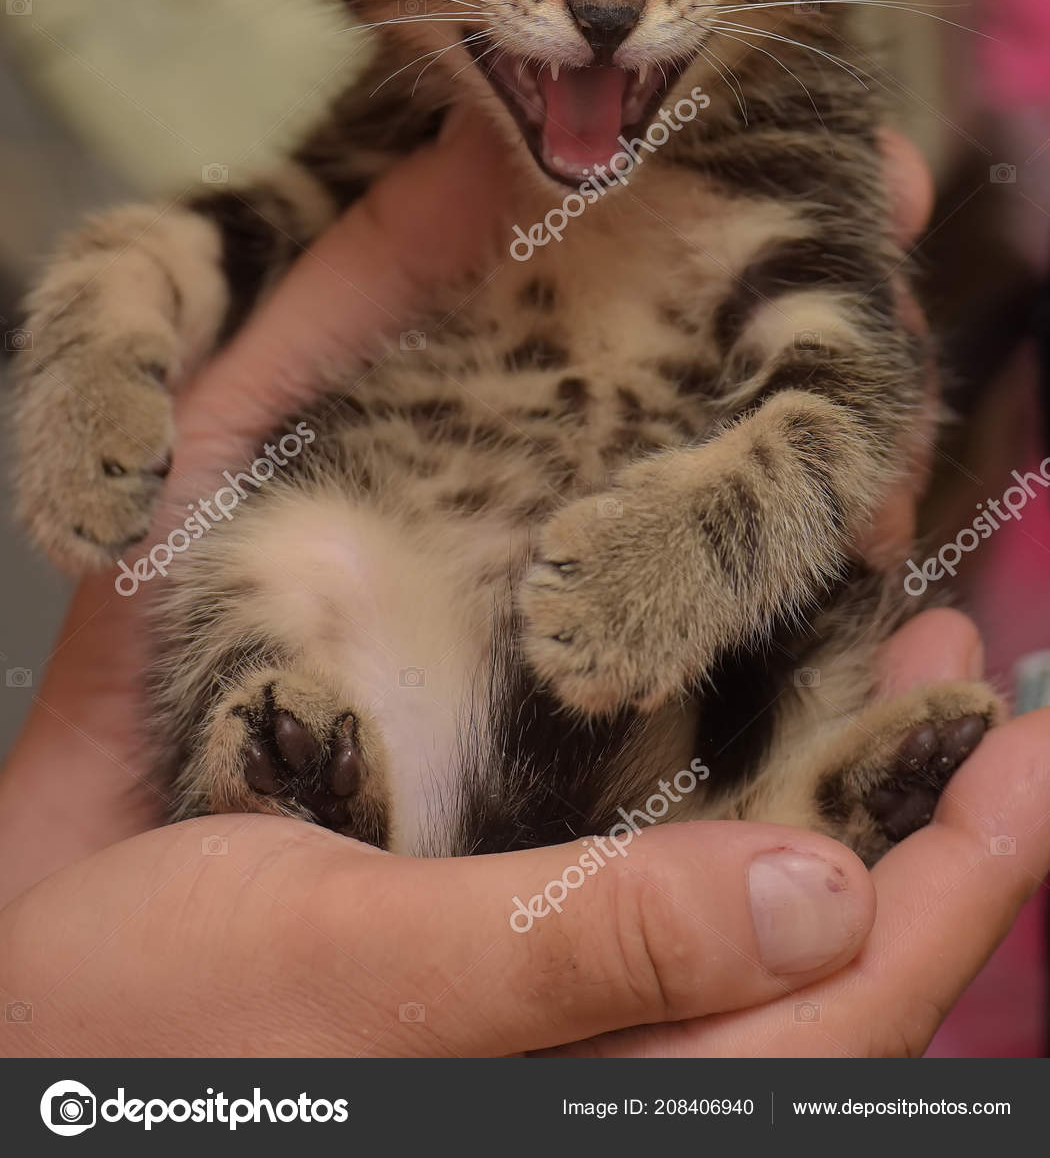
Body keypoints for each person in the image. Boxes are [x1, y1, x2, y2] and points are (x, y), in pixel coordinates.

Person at [2, 114, 1048, 1059]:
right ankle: (325, 800)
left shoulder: (786, 130)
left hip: (671, 668)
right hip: (408, 601)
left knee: (806, 599)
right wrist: (103, 324)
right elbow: (244, 233)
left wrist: (694, 552)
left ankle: (774, 806)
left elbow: (853, 397)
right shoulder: (433, 111)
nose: (601, 6)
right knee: (289, 546)